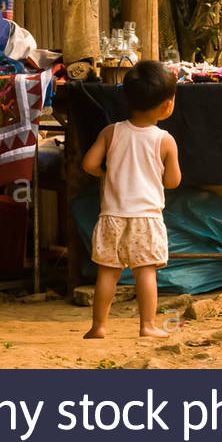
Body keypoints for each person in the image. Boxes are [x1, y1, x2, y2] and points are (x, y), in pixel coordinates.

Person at [81, 59, 182, 337]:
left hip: (112, 217)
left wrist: (106, 172)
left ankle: (99, 326)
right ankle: (147, 326)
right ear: (167, 105)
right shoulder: (165, 140)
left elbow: (89, 164)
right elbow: (173, 181)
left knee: (107, 274)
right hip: (146, 220)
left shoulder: (111, 132)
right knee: (145, 274)